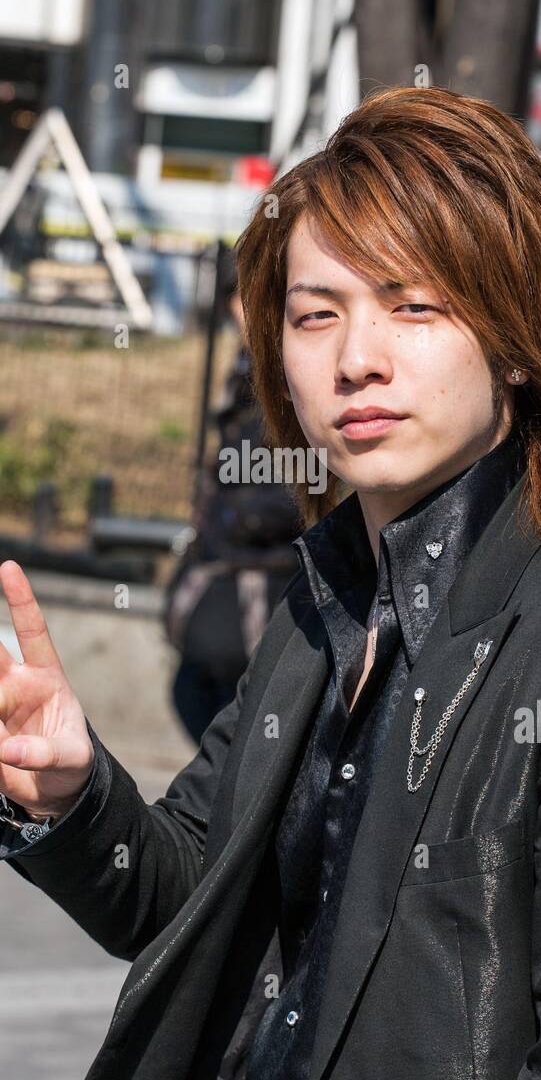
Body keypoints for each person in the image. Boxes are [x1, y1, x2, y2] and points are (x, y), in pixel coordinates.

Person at [0, 87, 541, 1080]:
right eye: (315, 314)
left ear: (514, 340)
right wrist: (72, 793)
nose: (355, 358)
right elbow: (184, 900)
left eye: (414, 305)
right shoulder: (324, 604)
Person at [166, 256, 302, 745]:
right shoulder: (244, 369)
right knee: (198, 700)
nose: (244, 312)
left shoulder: (293, 375)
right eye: (237, 299)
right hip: (225, 569)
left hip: (263, 579)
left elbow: (310, 482)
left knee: (233, 716)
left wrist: (241, 516)